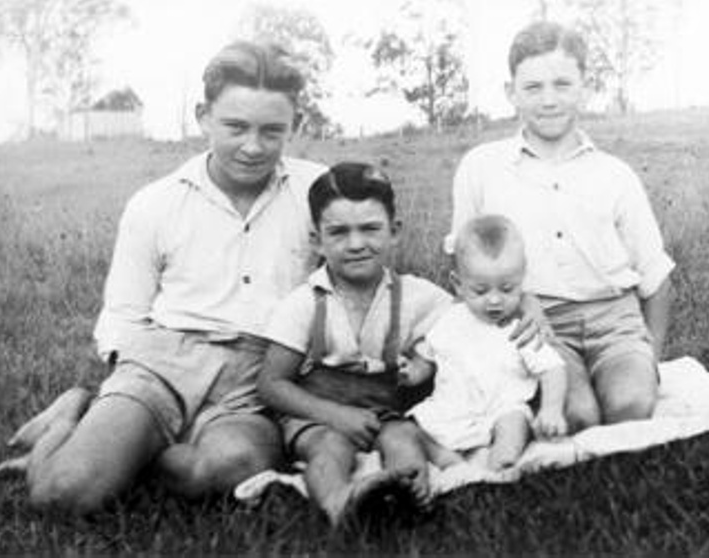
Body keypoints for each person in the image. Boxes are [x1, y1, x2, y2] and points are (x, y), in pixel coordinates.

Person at [0, 41, 328, 513]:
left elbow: (356, 281)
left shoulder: (318, 190)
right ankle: (76, 411)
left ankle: (132, 451)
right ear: (203, 116)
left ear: (295, 125)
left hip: (261, 374)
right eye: (235, 127)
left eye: (272, 131)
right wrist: (127, 395)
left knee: (230, 471)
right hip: (163, 362)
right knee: (63, 492)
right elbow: (124, 313)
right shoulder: (156, 202)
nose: (253, 147)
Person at [448, 21, 674, 430]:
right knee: (576, 415)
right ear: (510, 92)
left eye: (562, 84)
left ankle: (630, 372)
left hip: (615, 318)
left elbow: (655, 276)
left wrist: (651, 357)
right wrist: (519, 305)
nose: (549, 100)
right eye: (533, 87)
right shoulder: (481, 167)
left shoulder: (614, 174)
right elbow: (463, 261)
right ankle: (573, 392)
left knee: (631, 406)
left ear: (584, 88)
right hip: (537, 320)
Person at [256, 162, 452, 525]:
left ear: (394, 231)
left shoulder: (419, 298)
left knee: (405, 438)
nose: (356, 244)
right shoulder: (303, 304)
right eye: (339, 232)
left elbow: (467, 329)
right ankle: (340, 503)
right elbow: (271, 384)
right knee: (330, 449)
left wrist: (423, 364)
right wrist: (334, 415)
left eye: (370, 229)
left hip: (385, 414)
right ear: (317, 239)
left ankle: (413, 497)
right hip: (316, 415)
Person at [407, 215, 568, 471]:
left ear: (521, 280)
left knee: (514, 422)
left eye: (507, 289)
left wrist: (551, 410)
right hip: (452, 407)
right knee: (415, 426)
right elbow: (428, 357)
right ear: (458, 284)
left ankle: (502, 462)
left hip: (501, 409)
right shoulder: (448, 320)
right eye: (481, 291)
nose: (494, 301)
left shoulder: (521, 325)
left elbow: (553, 368)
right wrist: (413, 372)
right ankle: (448, 462)